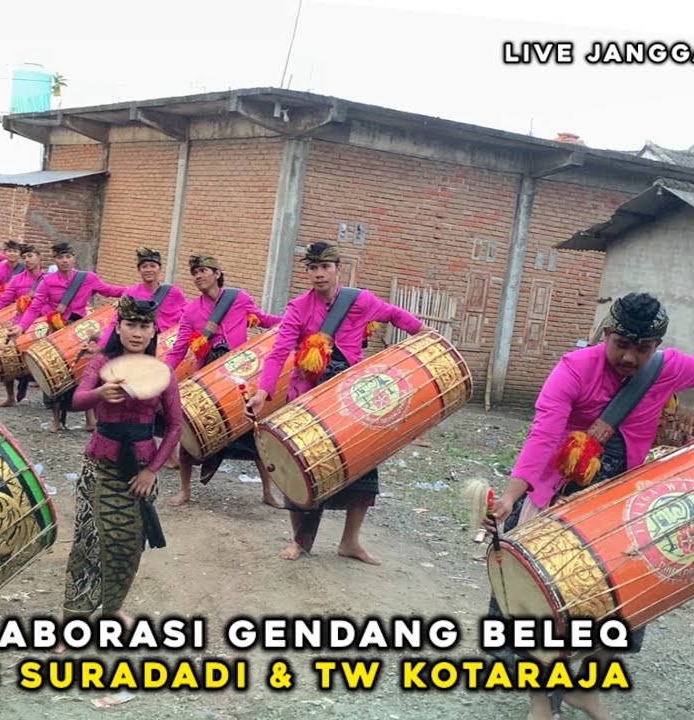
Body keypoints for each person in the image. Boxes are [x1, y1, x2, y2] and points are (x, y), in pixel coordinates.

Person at [481, 292, 694, 720]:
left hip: (624, 495)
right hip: (561, 490)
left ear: (656, 347)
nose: (629, 357)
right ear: (606, 334)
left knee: (626, 595)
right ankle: (540, 702)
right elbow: (544, 434)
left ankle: (586, 689)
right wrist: (514, 494)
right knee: (538, 599)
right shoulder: (572, 369)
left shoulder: (669, 369)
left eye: (642, 349)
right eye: (621, 345)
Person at [246, 241, 426, 565]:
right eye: (312, 268)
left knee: (364, 467)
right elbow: (278, 352)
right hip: (308, 398)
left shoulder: (360, 300)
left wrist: (422, 331)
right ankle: (299, 542)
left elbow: (394, 315)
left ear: (337, 269)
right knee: (300, 466)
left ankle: (350, 542)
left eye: (325, 268)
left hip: (351, 396)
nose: (318, 274)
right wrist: (262, 392)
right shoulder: (298, 308)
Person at [63, 295, 180, 625]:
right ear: (119, 327)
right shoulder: (100, 363)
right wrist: (99, 393)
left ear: (154, 330)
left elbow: (174, 427)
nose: (137, 333)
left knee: (127, 549)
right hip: (100, 468)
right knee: (88, 545)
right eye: (131, 325)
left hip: (140, 474)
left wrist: (153, 471)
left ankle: (112, 608)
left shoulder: (163, 373)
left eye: (144, 326)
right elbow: (75, 400)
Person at [164, 254, 281, 507]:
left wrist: (291, 324)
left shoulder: (239, 298)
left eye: (203, 270)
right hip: (207, 373)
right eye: (195, 272)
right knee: (192, 430)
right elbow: (179, 348)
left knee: (253, 429)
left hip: (239, 371)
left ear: (217, 273)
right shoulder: (191, 310)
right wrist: (161, 374)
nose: (198, 276)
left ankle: (268, 493)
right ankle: (185, 491)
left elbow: (262, 320)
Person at [10, 241, 126, 432]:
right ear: (55, 259)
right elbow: (35, 307)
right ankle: (56, 420)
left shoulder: (88, 278)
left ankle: (90, 420)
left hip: (80, 333)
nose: (65, 261)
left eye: (68, 257)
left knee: (87, 374)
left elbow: (110, 291)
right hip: (56, 334)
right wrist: (21, 329)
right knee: (52, 373)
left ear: (73, 258)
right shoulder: (47, 281)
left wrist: (136, 292)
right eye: (61, 257)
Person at [0, 243, 47, 406]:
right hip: (19, 323)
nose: (27, 260)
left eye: (30, 256)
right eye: (24, 257)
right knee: (4, 355)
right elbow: (2, 301)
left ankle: (47, 396)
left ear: (39, 257)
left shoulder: (48, 279)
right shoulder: (17, 280)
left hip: (42, 323)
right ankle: (10, 397)